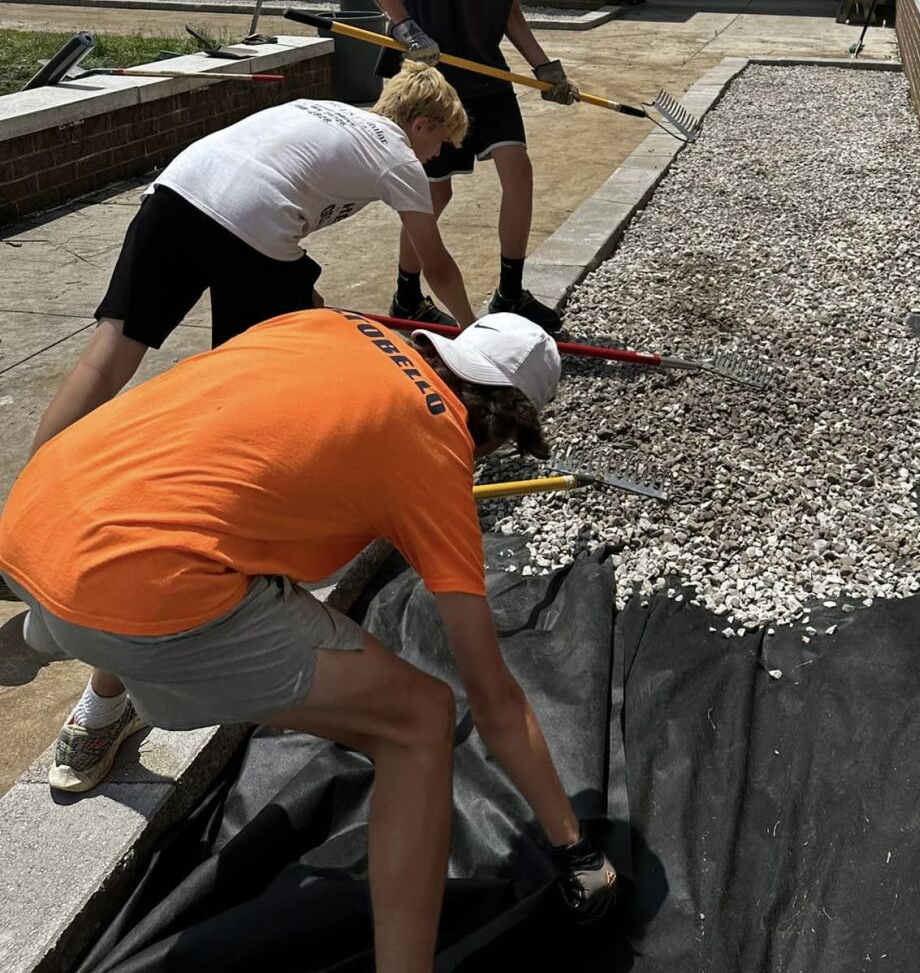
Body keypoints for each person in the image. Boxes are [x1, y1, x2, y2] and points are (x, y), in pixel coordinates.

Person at [0, 308, 616, 969]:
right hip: (138, 587)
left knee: (217, 547)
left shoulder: (331, 325)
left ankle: (46, 629)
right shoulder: (434, 448)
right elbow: (492, 698)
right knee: (421, 716)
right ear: (499, 431)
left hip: (41, 508)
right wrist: (572, 844)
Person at [29, 64, 475, 457]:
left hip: (175, 194)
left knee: (108, 356)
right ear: (419, 124)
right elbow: (434, 264)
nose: (437, 154)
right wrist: (471, 332)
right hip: (251, 223)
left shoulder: (315, 107)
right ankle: (230, 465)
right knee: (263, 367)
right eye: (440, 141)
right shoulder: (398, 156)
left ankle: (33, 486)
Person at [351, 0, 579, 337]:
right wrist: (403, 25)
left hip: (484, 67)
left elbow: (509, 11)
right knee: (433, 195)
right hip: (432, 77)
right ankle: (407, 298)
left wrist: (544, 66)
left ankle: (509, 294)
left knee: (518, 171)